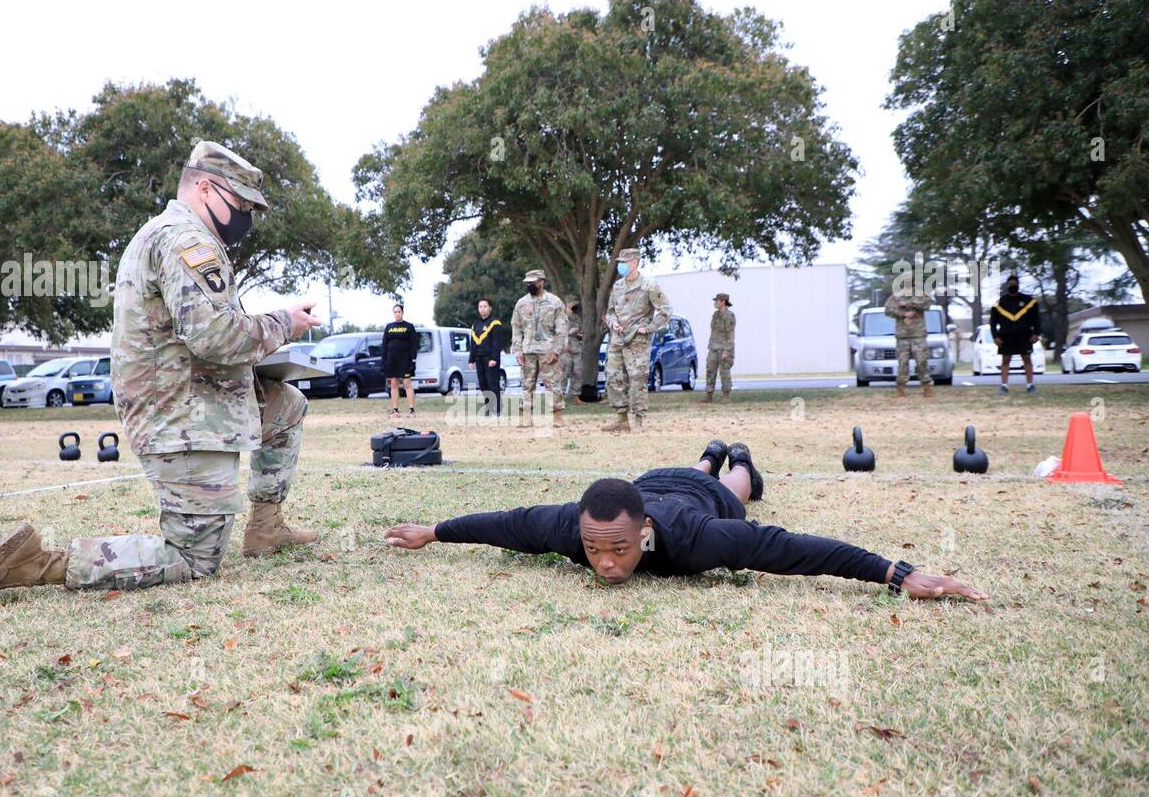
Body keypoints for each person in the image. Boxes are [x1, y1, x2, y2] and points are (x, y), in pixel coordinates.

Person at [0, 140, 321, 600]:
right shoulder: (185, 239)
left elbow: (196, 332)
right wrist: (284, 322)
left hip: (199, 399)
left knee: (286, 405)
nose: (247, 215)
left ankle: (266, 528)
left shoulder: (165, 234)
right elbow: (215, 336)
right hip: (184, 416)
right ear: (206, 189)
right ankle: (38, 563)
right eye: (242, 204)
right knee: (193, 560)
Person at [384, 438, 985, 601]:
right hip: (650, 481)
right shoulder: (573, 526)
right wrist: (434, 531)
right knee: (695, 472)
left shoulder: (701, 541)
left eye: (617, 549)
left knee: (735, 488)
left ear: (642, 534)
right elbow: (507, 524)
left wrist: (897, 572)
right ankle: (710, 448)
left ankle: (737, 456)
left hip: (702, 498)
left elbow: (791, 548)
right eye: (595, 550)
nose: (605, 562)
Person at [603, 247, 670, 432]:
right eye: (620, 263)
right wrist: (613, 322)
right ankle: (621, 418)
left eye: (624, 263)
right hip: (617, 339)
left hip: (638, 341)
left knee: (637, 380)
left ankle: (638, 420)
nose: (621, 266)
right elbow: (609, 312)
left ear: (634, 262)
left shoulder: (649, 285)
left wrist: (648, 328)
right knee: (613, 377)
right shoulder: (617, 286)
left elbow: (665, 310)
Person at [510, 270, 568, 429]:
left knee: (553, 384)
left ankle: (557, 416)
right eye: (527, 282)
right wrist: (517, 350)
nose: (529, 285)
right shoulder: (521, 303)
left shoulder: (555, 302)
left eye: (533, 282)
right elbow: (516, 328)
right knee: (526, 384)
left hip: (548, 351)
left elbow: (561, 329)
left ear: (541, 282)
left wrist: (557, 350)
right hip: (527, 351)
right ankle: (526, 417)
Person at [990, 274, 1041, 395]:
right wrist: (995, 336)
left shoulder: (1029, 301)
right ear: (1007, 285)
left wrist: (1036, 333)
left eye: (1015, 283)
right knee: (1005, 360)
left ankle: (1030, 385)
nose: (1013, 285)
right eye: (1010, 284)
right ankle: (1003, 386)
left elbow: (1036, 319)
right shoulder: (1000, 303)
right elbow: (992, 322)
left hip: (1024, 335)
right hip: (1006, 336)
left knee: (1027, 359)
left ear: (1018, 285)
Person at [883, 288, 933, 398]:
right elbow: (888, 310)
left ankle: (926, 387)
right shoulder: (896, 296)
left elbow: (927, 304)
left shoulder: (920, 294)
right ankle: (901, 389)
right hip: (902, 335)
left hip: (918, 334)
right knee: (902, 363)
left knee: (921, 361)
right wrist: (904, 314)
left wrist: (908, 303)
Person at [469, 297, 504, 419]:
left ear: (490, 308)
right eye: (480, 306)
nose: (482, 308)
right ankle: (488, 408)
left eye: (485, 306)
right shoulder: (476, 324)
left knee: (493, 384)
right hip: (479, 358)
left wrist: (494, 358)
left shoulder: (495, 323)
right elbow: (473, 342)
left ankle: (498, 410)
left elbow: (497, 343)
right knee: (483, 384)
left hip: (490, 359)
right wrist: (471, 359)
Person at [382, 304, 418, 417]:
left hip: (405, 360)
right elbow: (384, 344)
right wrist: (384, 360)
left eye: (399, 311)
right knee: (393, 384)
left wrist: (413, 360)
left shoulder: (409, 326)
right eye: (395, 312)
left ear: (402, 313)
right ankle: (395, 410)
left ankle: (412, 410)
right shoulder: (389, 327)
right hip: (392, 360)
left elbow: (414, 344)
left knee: (407, 384)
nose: (397, 314)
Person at [704, 292, 736, 403]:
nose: (715, 303)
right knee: (710, 370)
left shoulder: (729, 316)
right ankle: (709, 395)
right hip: (713, 347)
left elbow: (730, 335)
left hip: (723, 348)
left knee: (724, 372)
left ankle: (726, 396)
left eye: (717, 301)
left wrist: (727, 350)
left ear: (722, 301)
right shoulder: (716, 315)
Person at [562, 297, 585, 402]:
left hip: (576, 348)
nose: (575, 304)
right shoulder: (561, 317)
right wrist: (568, 332)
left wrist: (578, 333)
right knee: (564, 374)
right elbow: (556, 333)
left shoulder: (577, 318)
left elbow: (582, 333)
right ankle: (560, 396)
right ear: (567, 304)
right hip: (565, 350)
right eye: (573, 303)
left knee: (578, 373)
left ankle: (576, 396)